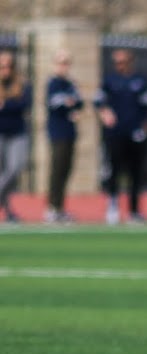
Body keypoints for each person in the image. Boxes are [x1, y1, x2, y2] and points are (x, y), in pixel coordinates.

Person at [95, 48, 147, 224]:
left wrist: (146, 124)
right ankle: (113, 205)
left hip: (135, 133)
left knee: (135, 172)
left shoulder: (140, 80)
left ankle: (134, 210)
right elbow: (99, 101)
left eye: (122, 62)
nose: (119, 66)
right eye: (116, 62)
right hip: (115, 133)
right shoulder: (110, 81)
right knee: (114, 170)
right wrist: (104, 112)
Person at [44, 49, 84, 224]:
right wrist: (69, 103)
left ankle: (60, 207)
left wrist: (71, 103)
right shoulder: (53, 83)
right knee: (57, 169)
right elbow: (56, 104)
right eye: (61, 63)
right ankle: (52, 207)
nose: (64, 66)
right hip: (58, 132)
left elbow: (79, 102)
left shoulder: (70, 84)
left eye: (66, 63)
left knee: (67, 169)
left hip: (70, 132)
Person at [0, 49, 31, 224]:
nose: (6, 69)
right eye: (2, 66)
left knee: (14, 169)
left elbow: (24, 104)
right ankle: (9, 211)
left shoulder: (22, 84)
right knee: (2, 173)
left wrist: (6, 105)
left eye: (9, 66)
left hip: (17, 133)